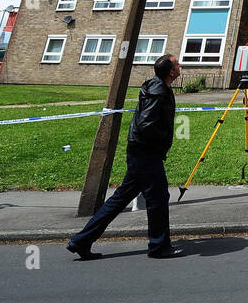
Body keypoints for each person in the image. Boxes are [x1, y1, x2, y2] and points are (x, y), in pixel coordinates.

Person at [67, 54, 182, 260]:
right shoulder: (159, 92)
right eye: (177, 64)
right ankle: (158, 246)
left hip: (140, 153)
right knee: (158, 199)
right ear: (171, 72)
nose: (180, 66)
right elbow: (146, 124)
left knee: (119, 200)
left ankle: (81, 240)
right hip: (146, 154)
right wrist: (158, 143)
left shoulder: (156, 87)